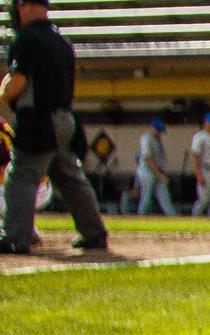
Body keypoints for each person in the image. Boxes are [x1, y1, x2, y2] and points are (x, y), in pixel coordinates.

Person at [1, 0, 107, 254]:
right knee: (70, 177)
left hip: (38, 119)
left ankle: (16, 236)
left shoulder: (27, 39)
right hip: (64, 119)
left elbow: (17, 83)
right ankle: (94, 233)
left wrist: (4, 91)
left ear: (26, 6)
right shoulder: (61, 40)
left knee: (21, 175)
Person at [131, 114, 174, 215]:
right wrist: (160, 175)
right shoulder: (146, 138)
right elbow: (148, 158)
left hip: (157, 171)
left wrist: (160, 174)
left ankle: (173, 217)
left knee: (165, 198)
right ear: (153, 128)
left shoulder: (156, 139)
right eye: (158, 131)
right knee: (146, 198)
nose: (160, 133)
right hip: (148, 171)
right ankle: (141, 220)